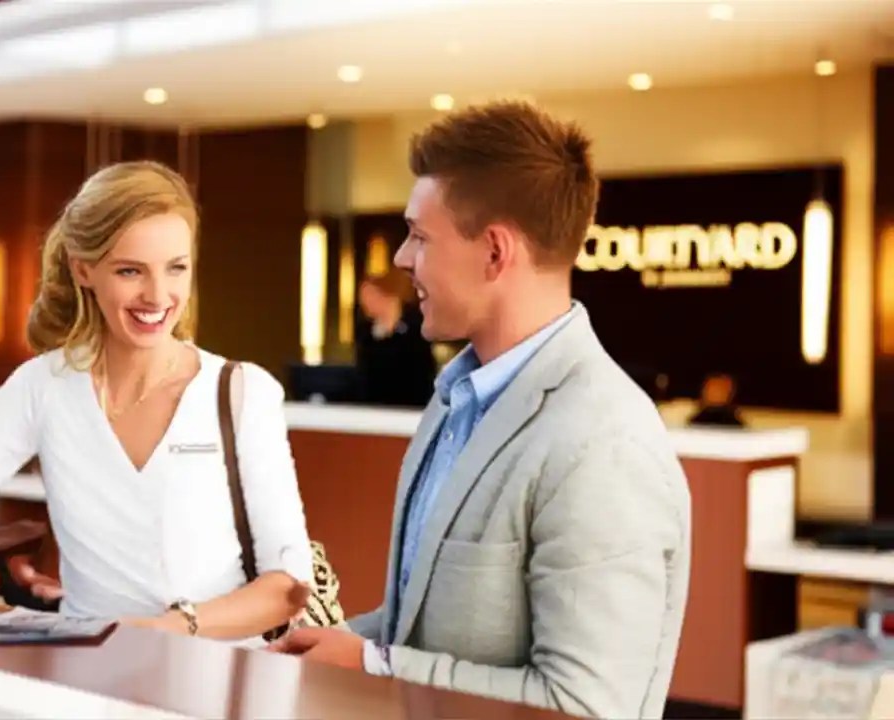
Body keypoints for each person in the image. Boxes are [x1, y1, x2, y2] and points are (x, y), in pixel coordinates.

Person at [270, 100, 692, 719]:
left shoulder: (604, 443)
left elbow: (584, 706)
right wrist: (331, 645)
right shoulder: (453, 401)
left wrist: (373, 664)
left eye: (419, 236)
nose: (400, 259)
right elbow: (422, 625)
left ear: (495, 252)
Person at [0, 161, 312, 643]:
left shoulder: (244, 392)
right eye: (130, 270)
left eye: (176, 268)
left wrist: (160, 629)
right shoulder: (43, 387)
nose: (158, 295)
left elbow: (288, 587)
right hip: (90, 680)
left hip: (214, 683)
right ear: (84, 269)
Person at [355, 271, 437, 407]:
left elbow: (422, 373)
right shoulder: (366, 333)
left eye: (369, 296)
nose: (365, 303)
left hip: (411, 407)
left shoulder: (416, 327)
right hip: (373, 408)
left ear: (385, 295)